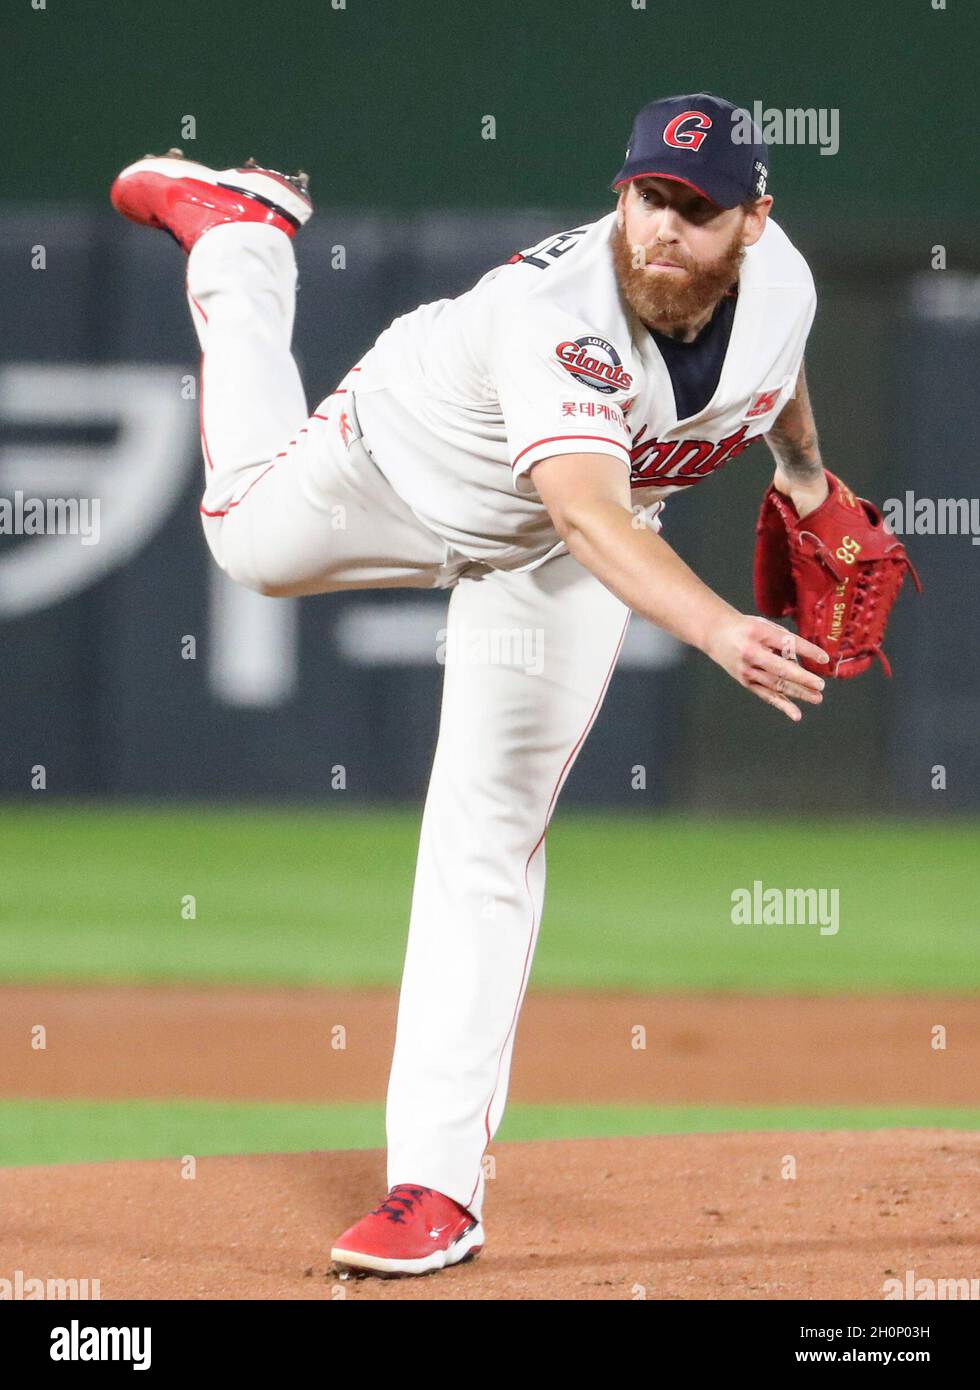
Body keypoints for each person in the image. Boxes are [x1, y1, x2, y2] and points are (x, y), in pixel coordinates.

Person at [111, 91, 830, 1278]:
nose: (662, 227)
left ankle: (433, 1189)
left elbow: (771, 371)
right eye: (649, 195)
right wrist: (714, 627)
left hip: (565, 545)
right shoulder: (565, 315)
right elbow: (588, 509)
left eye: (696, 209)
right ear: (621, 191)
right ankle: (241, 238)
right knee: (243, 540)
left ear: (754, 220)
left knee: (485, 834)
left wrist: (803, 474)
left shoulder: (784, 279)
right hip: (403, 467)